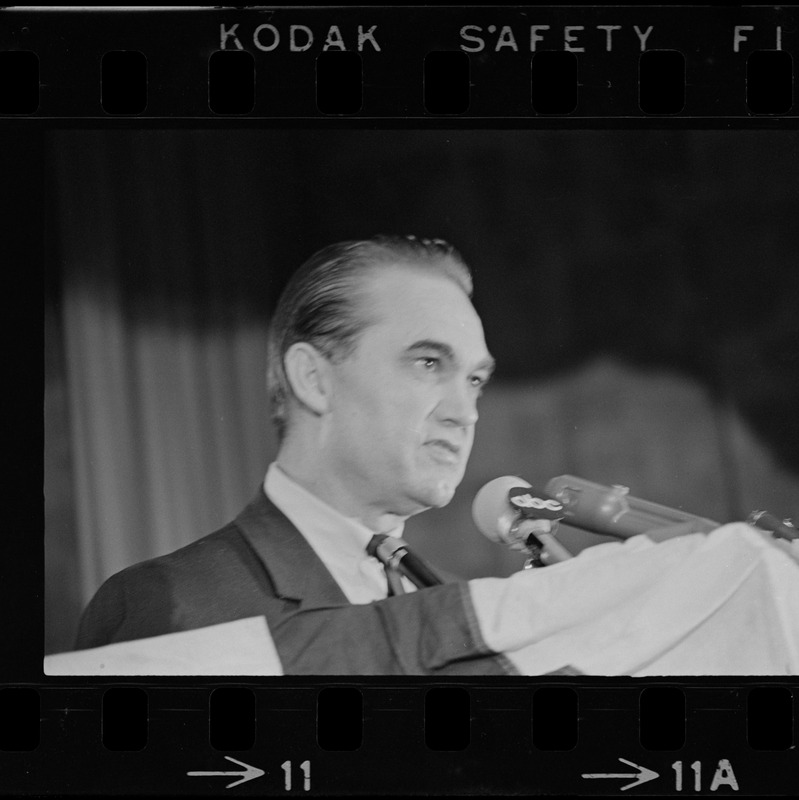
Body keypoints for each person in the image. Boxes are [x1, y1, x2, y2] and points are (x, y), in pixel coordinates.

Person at [75, 235, 512, 674]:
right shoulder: (174, 605)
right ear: (313, 379)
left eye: (475, 380)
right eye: (429, 363)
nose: (465, 413)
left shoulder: (466, 612)